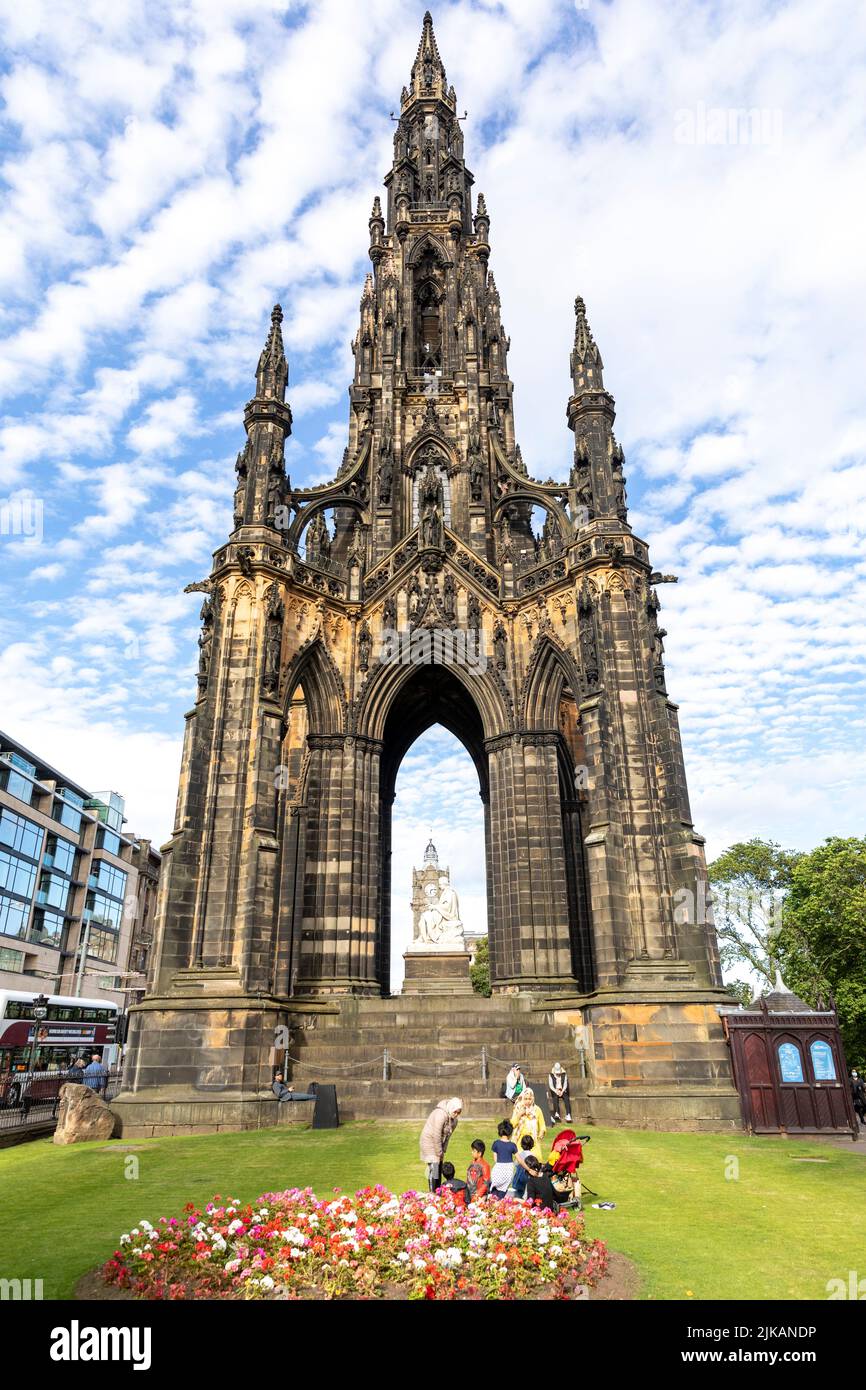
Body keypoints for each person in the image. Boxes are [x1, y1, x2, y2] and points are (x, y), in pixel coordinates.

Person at [419, 1097, 463, 1191]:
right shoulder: (440, 1114)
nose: (456, 1114)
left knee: (439, 1168)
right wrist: (439, 1153)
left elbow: (447, 1137)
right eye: (455, 1112)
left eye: (459, 1112)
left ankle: (437, 1191)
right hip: (429, 1141)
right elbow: (436, 1135)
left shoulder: (454, 1121)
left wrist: (443, 1151)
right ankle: (432, 1193)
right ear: (451, 1108)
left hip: (438, 1143)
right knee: (434, 1167)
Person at [511, 1086, 546, 1160]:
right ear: (522, 1098)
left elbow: (542, 1125)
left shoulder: (537, 1110)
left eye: (530, 1099)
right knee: (521, 1162)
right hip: (521, 1141)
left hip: (533, 1140)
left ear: (533, 1098)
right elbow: (512, 1124)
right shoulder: (518, 1109)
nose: (528, 1101)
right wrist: (519, 1114)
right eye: (526, 1099)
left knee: (536, 1160)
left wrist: (542, 1131)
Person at [489, 1120, 518, 1198]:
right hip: (508, 1171)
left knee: (493, 1193)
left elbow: (495, 1159)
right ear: (510, 1132)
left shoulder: (496, 1143)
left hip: (498, 1170)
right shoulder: (512, 1145)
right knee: (502, 1194)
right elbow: (518, 1159)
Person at [511, 1134, 536, 1199]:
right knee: (526, 1193)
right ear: (532, 1145)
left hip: (519, 1177)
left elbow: (515, 1164)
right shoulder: (532, 1155)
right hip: (527, 1177)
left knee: (518, 1195)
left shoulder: (519, 1154)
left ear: (522, 1144)